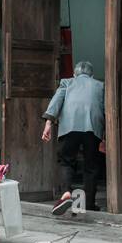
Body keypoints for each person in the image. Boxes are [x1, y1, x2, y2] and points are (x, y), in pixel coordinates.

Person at [41, 61, 105, 214]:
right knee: (91, 166)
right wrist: (106, 135)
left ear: (74, 74)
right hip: (93, 128)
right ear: (92, 75)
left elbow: (57, 101)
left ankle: (66, 193)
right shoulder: (100, 85)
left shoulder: (67, 82)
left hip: (69, 127)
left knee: (66, 161)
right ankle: (89, 204)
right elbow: (105, 108)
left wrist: (48, 123)